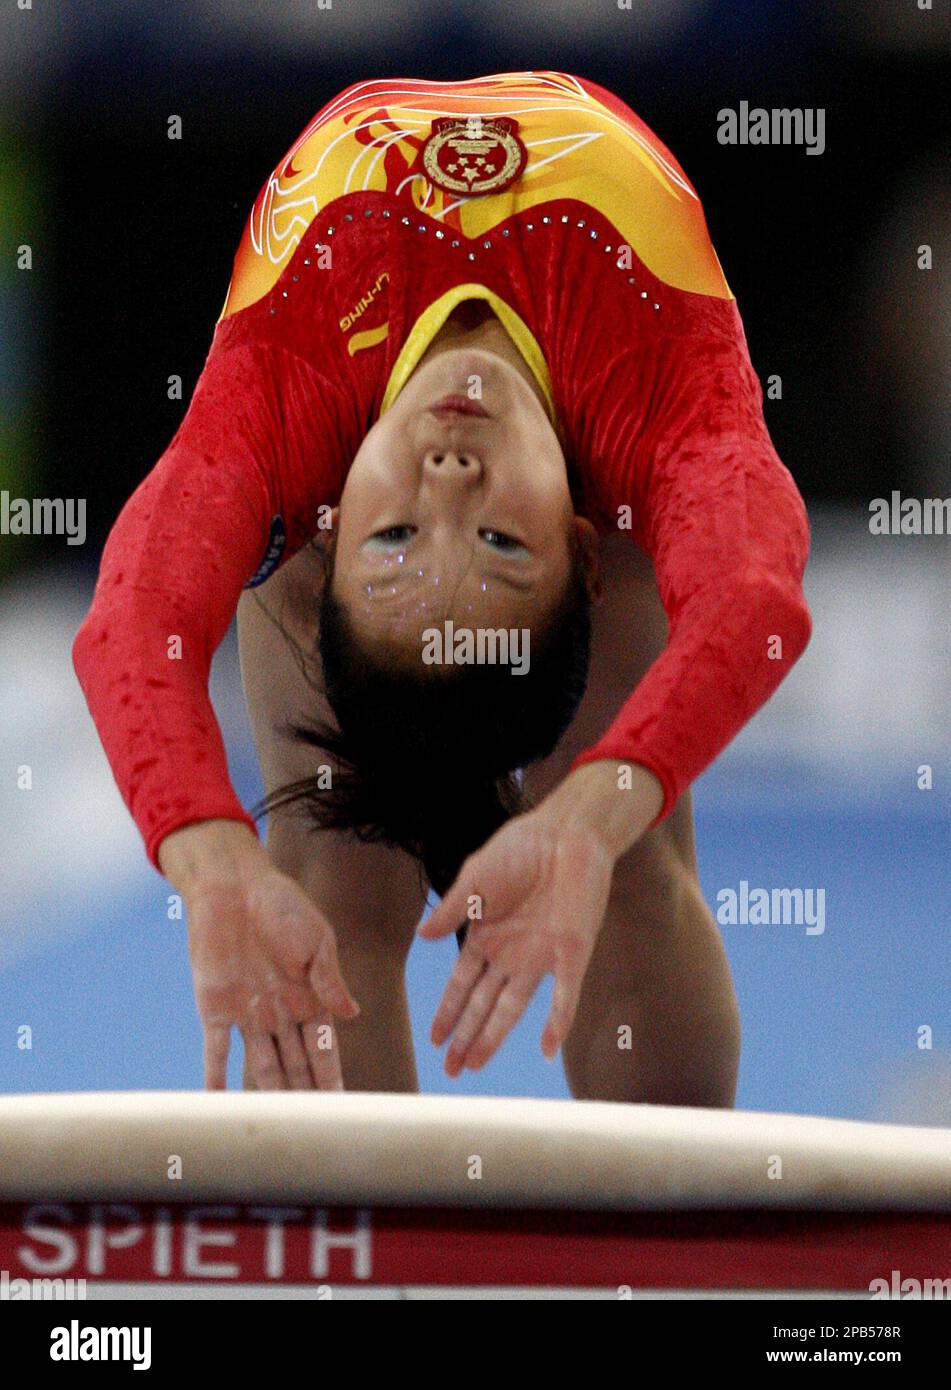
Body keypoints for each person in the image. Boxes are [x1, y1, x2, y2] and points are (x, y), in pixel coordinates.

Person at [72, 71, 812, 1099]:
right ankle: (360, 1252)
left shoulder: (289, 396)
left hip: (341, 447)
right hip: (594, 436)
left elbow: (132, 617)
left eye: (397, 537)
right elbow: (758, 597)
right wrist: (596, 812)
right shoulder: (655, 382)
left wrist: (212, 867)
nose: (451, 478)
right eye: (504, 541)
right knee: (613, 857)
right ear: (579, 558)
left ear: (334, 535)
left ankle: (650, 1252)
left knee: (324, 877)